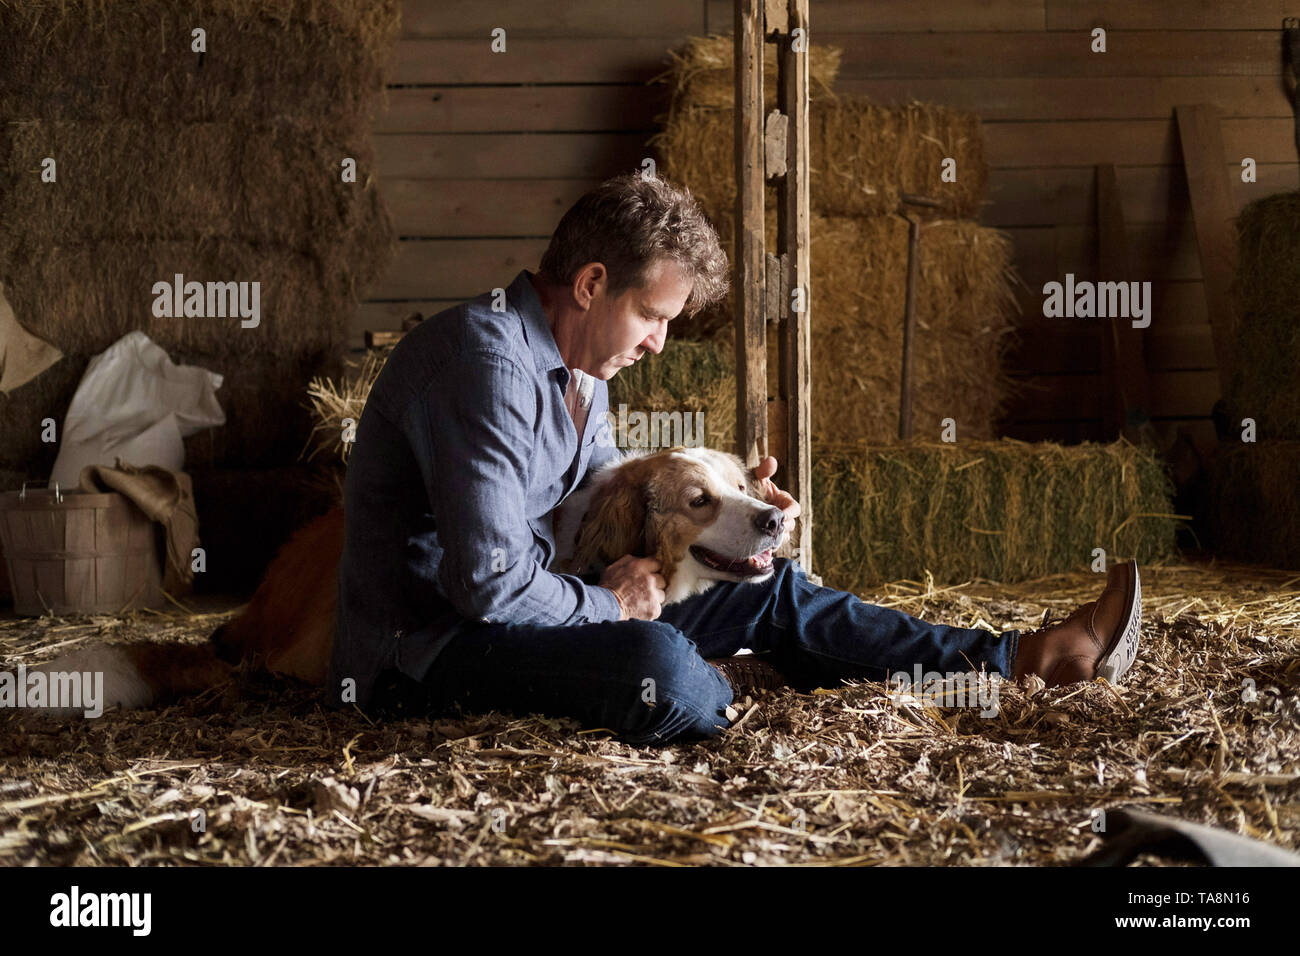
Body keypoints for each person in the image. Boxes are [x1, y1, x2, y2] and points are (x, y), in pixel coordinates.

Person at [327, 174, 1141, 745]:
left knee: (772, 593)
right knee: (661, 666)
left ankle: (1020, 663)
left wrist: (741, 518)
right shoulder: (488, 364)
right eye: (652, 316)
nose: (658, 342)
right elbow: (490, 584)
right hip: (431, 652)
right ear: (590, 283)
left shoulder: (581, 365)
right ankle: (715, 682)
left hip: (552, 601)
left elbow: (603, 508)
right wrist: (614, 610)